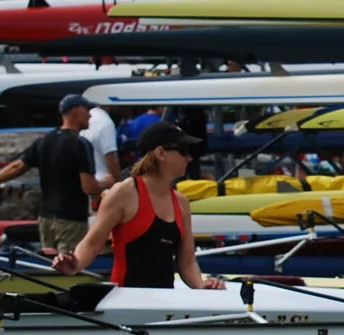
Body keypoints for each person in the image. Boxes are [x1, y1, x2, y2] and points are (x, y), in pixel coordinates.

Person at [52, 123, 222, 289]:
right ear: (161, 153)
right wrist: (75, 264)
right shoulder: (123, 193)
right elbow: (92, 243)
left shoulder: (181, 202)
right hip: (126, 301)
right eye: (183, 151)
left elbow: (187, 261)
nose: (189, 158)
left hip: (165, 302)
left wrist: (202, 285)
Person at [0, 95, 100, 254]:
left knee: (47, 262)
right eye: (87, 110)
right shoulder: (81, 144)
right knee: (68, 264)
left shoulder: (45, 140)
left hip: (46, 217)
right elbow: (89, 187)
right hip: (71, 218)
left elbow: (18, 166)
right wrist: (108, 183)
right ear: (75, 111)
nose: (90, 115)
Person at [82, 103, 122, 190]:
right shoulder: (106, 122)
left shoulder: (88, 117)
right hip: (104, 183)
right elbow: (111, 159)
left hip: (87, 181)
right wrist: (120, 187)